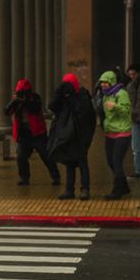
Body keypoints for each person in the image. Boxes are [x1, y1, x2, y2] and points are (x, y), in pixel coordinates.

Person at [48, 73, 97, 201]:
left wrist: (72, 98)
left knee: (82, 163)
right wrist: (59, 93)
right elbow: (52, 106)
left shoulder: (82, 96)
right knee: (69, 163)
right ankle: (69, 190)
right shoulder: (63, 98)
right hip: (66, 135)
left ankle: (85, 189)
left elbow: (85, 115)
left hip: (79, 135)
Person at [4, 78, 60, 186]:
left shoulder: (35, 98)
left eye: (23, 93)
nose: (22, 95)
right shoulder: (17, 102)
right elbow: (6, 111)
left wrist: (26, 101)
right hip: (24, 135)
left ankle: (55, 176)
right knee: (21, 157)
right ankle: (24, 178)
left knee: (46, 155)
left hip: (38, 134)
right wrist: (14, 101)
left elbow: (35, 109)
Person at [98, 70, 132, 200]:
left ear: (112, 82)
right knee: (110, 162)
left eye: (106, 82)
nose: (103, 85)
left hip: (122, 132)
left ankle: (117, 191)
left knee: (117, 162)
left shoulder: (121, 93)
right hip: (110, 132)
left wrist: (115, 106)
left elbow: (127, 111)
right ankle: (124, 187)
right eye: (102, 83)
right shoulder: (105, 95)